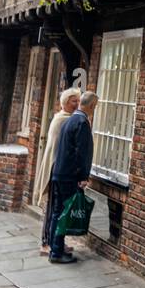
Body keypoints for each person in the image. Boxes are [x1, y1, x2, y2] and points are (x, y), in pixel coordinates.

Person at [48, 90, 98, 264]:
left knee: (57, 213)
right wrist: (83, 176)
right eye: (95, 106)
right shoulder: (82, 122)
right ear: (91, 106)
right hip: (69, 175)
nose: (94, 110)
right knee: (63, 214)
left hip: (59, 173)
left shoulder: (69, 120)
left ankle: (56, 248)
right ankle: (56, 253)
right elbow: (81, 153)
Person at [33, 88, 81, 256]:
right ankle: (47, 243)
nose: (77, 104)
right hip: (56, 168)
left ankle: (55, 242)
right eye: (74, 101)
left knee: (57, 209)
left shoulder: (64, 118)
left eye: (78, 101)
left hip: (58, 167)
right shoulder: (63, 120)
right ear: (66, 103)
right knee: (54, 209)